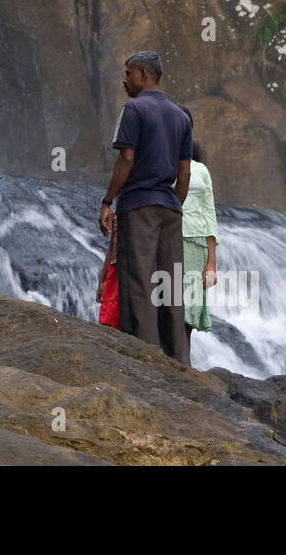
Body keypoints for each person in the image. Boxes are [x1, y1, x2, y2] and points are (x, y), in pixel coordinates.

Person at [98, 51, 192, 366]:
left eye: (128, 74)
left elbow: (126, 159)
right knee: (169, 283)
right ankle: (178, 360)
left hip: (139, 205)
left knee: (139, 282)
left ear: (142, 74)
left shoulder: (134, 109)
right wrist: (173, 204)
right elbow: (185, 174)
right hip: (170, 208)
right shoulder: (181, 116)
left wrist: (108, 201)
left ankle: (146, 360)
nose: (124, 81)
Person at [178, 107, 218, 345]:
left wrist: (212, 262)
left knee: (189, 312)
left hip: (196, 245)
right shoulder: (159, 162)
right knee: (167, 302)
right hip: (169, 240)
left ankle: (183, 365)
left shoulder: (201, 170)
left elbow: (209, 214)